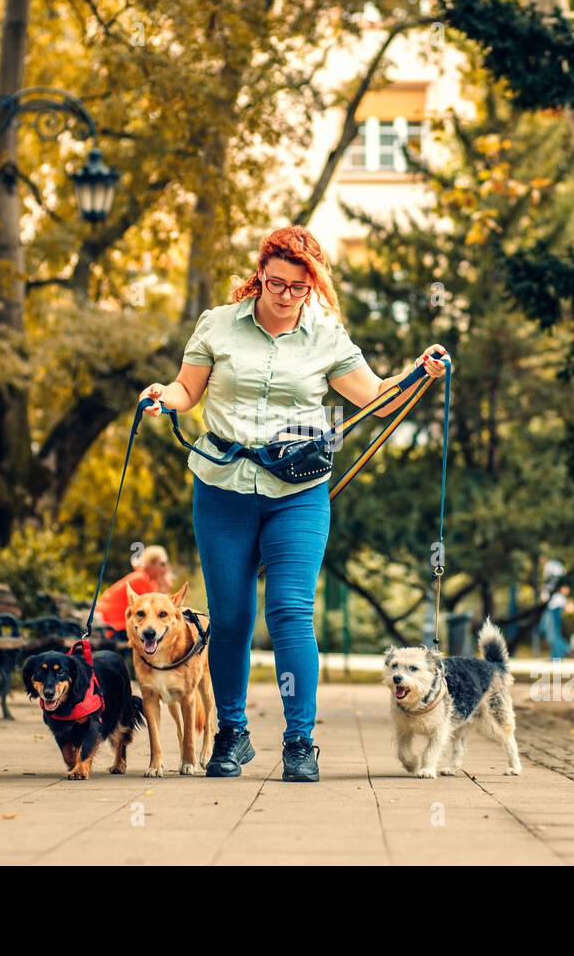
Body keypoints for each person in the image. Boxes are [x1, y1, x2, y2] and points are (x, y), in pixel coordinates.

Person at [139, 225, 447, 782]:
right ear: (259, 275)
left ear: (312, 287)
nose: (283, 295)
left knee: (290, 614)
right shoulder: (218, 324)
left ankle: (300, 741)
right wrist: (163, 398)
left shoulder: (326, 334)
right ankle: (231, 734)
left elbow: (376, 399)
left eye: (296, 287)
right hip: (222, 487)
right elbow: (188, 391)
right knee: (229, 619)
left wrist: (417, 372)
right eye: (274, 283)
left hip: (297, 493)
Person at [97, 545, 173, 638]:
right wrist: (163, 588)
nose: (165, 569)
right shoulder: (140, 579)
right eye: (162, 564)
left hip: (118, 623)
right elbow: (155, 611)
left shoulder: (149, 580)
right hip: (112, 625)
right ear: (151, 564)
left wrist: (163, 587)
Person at [542, 584, 574, 660]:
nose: (568, 591)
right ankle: (565, 650)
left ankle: (557, 656)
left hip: (553, 617)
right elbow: (569, 609)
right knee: (553, 637)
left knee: (553, 637)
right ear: (562, 589)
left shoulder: (560, 597)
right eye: (566, 589)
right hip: (552, 617)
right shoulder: (559, 596)